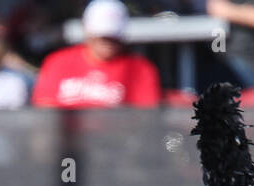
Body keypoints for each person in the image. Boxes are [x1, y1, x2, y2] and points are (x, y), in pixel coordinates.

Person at [31, 0, 160, 109]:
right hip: (68, 137)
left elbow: (143, 116)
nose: (107, 42)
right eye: (101, 36)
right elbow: (45, 110)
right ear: (87, 31)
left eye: (113, 37)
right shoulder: (58, 62)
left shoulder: (139, 69)